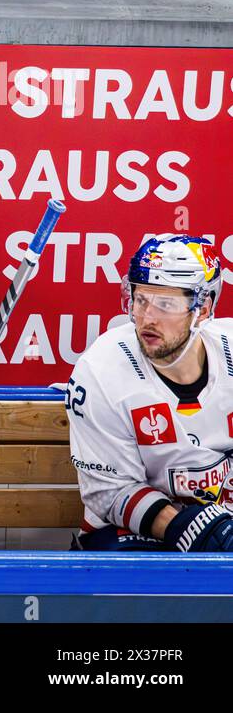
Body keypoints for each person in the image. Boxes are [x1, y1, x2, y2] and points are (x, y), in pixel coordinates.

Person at [68, 235, 233, 552]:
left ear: (203, 308)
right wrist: (191, 528)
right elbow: (109, 492)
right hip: (132, 533)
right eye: (141, 299)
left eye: (166, 304)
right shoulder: (101, 370)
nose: (148, 318)